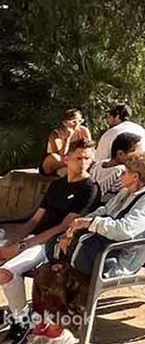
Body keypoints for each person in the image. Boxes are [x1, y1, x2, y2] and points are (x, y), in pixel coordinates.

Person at [27, 150, 145, 340]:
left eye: (125, 172)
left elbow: (125, 230)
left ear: (134, 176)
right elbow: (104, 211)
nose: (121, 176)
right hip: (101, 251)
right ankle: (47, 321)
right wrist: (77, 225)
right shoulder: (126, 191)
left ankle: (66, 327)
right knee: (46, 270)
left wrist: (91, 224)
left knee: (64, 276)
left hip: (120, 257)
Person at [0, 140, 99, 327]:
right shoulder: (57, 185)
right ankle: (16, 314)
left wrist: (22, 246)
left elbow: (64, 227)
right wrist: (13, 240)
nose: (83, 163)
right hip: (33, 239)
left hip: (51, 244)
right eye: (78, 158)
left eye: (87, 159)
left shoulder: (90, 189)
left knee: (6, 273)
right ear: (66, 159)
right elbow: (34, 221)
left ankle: (22, 322)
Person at [39, 112, 93, 177]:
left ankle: (72, 169)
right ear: (65, 123)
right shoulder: (56, 134)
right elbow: (62, 154)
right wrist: (68, 138)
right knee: (54, 157)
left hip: (75, 159)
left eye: (79, 121)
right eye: (74, 122)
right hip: (56, 162)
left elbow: (89, 149)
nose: (77, 124)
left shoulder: (84, 130)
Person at [92, 133, 142, 199]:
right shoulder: (121, 171)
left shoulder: (98, 165)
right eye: (133, 151)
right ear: (120, 154)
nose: (138, 155)